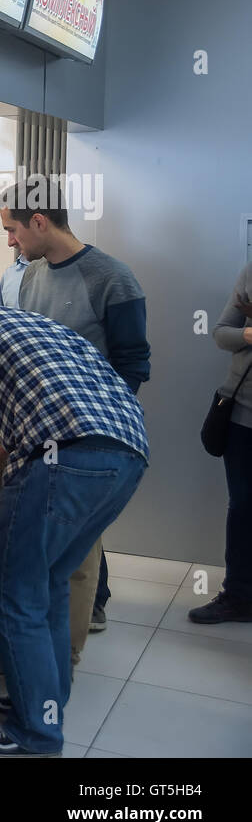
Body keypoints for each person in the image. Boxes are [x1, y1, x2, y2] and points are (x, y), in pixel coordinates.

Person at [0, 175, 150, 681]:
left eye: (12, 230)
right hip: (22, 434)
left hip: (77, 445)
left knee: (69, 560)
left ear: (40, 221)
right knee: (12, 552)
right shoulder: (27, 277)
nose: (9, 241)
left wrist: (86, 429)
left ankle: (57, 661)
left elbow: (134, 365)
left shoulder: (112, 278)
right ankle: (14, 650)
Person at [0, 304, 147, 757]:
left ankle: (36, 737)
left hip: (63, 455)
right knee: (48, 586)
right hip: (126, 452)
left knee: (10, 590)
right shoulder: (18, 323)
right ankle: (43, 705)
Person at [191, 264, 252, 623]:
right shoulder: (249, 274)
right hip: (241, 415)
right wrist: (248, 333)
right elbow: (220, 333)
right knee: (242, 507)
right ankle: (238, 596)